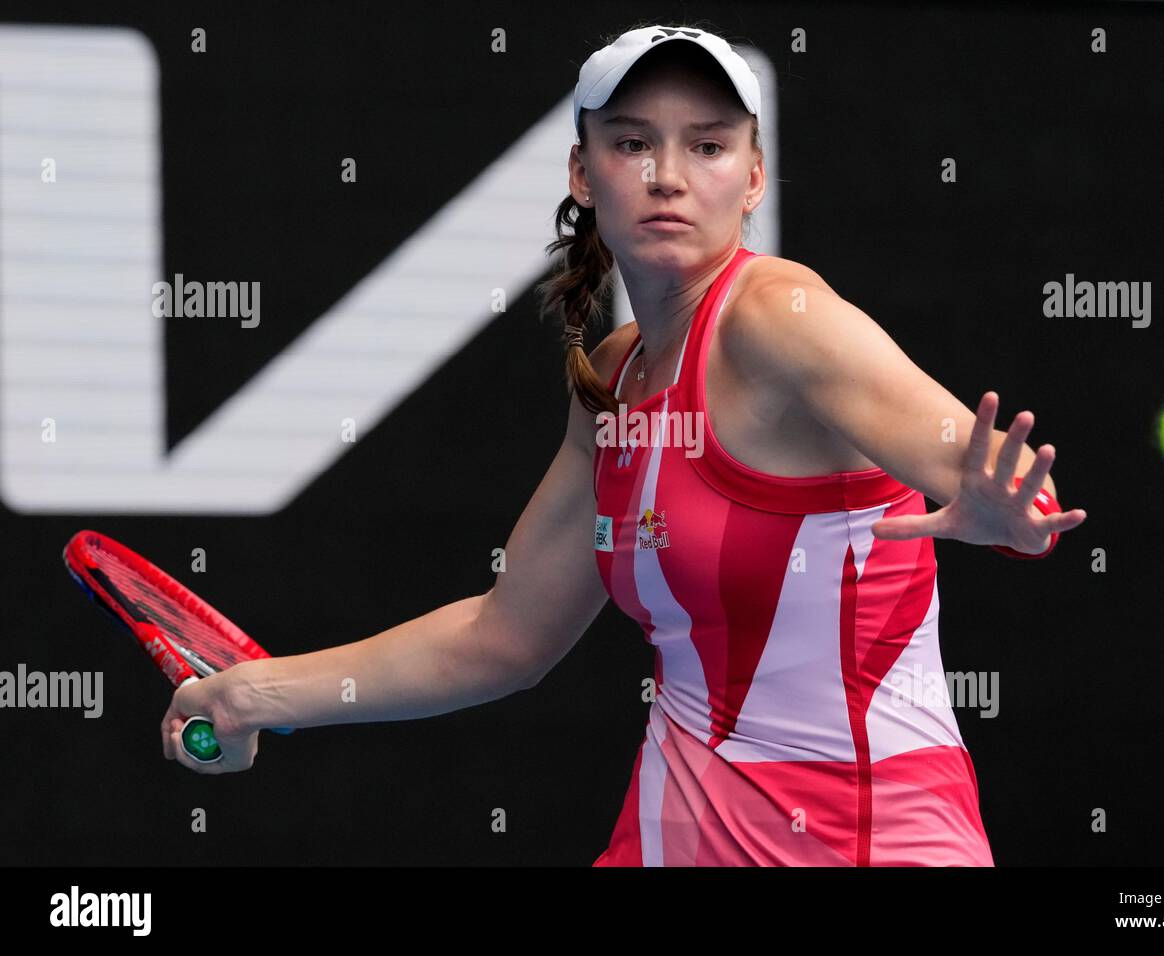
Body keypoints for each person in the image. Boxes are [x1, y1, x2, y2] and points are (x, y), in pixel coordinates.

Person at [162, 23, 1086, 867]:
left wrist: (1005, 514)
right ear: (582, 170)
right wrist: (257, 695)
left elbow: (996, 477)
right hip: (671, 838)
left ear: (754, 177)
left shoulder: (783, 317)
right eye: (633, 143)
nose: (668, 175)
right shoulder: (612, 377)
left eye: (709, 146)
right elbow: (501, 638)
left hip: (871, 841)